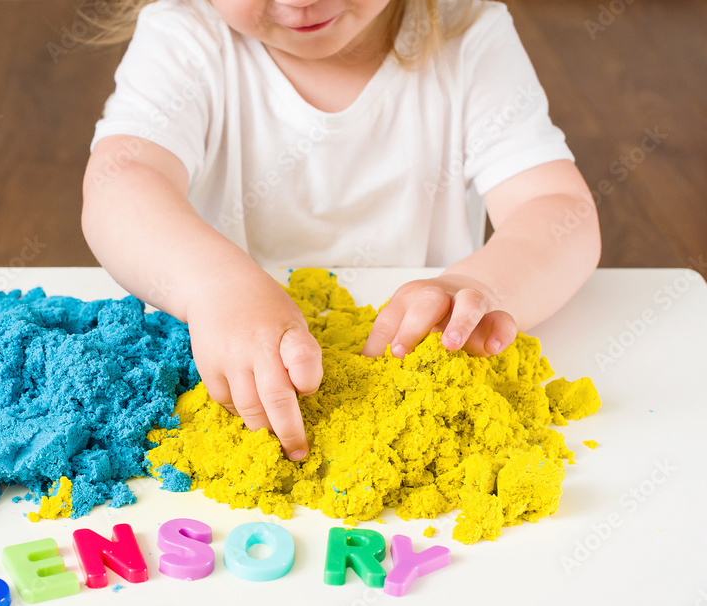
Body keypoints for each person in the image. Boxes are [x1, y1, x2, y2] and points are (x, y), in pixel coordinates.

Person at [80, 0, 601, 462]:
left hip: (416, 367)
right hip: (232, 362)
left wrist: (482, 287)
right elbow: (121, 180)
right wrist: (215, 287)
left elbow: (556, 207)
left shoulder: (467, 30)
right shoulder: (186, 34)